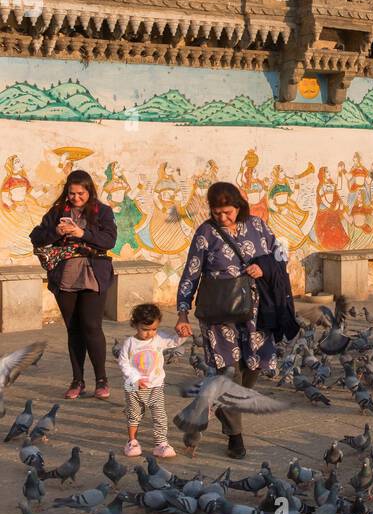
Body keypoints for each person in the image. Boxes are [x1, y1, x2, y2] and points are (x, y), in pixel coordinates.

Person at [175, 181, 289, 458]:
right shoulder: (205, 233)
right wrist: (182, 312)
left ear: (239, 207)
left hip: (256, 312)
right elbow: (191, 273)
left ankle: (220, 406)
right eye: (217, 213)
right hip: (219, 313)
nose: (222, 218)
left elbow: (279, 256)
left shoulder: (258, 226)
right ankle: (235, 436)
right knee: (227, 372)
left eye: (227, 212)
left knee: (253, 368)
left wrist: (263, 267)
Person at [30, 169, 117, 400]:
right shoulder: (58, 211)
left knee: (91, 326)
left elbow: (109, 240)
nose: (76, 198)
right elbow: (36, 237)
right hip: (65, 274)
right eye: (71, 194)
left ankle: (101, 380)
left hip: (93, 272)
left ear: (89, 191)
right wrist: (55, 231)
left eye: (80, 193)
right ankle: (77, 381)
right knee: (73, 329)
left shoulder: (103, 212)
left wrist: (82, 232)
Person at [117, 303, 189, 458]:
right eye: (145, 329)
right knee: (133, 414)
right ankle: (132, 441)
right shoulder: (129, 343)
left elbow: (173, 342)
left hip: (155, 385)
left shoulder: (159, 338)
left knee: (159, 415)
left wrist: (183, 335)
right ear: (135, 325)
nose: (150, 333)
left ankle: (161, 443)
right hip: (132, 386)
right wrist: (135, 379)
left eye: (153, 329)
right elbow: (123, 362)